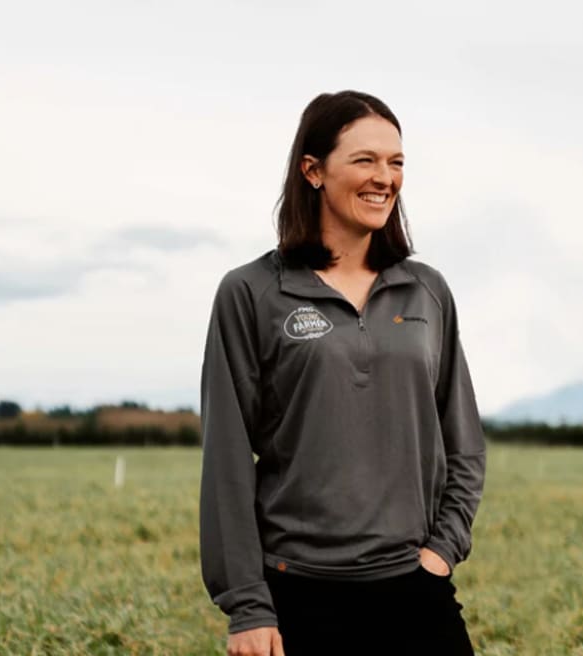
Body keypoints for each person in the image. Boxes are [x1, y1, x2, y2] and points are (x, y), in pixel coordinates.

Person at [199, 90, 486, 656]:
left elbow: (464, 440)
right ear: (312, 170)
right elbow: (227, 459)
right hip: (296, 595)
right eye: (365, 160)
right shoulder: (251, 292)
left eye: (396, 162)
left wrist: (441, 551)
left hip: (415, 588)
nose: (385, 177)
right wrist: (248, 606)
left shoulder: (426, 290)